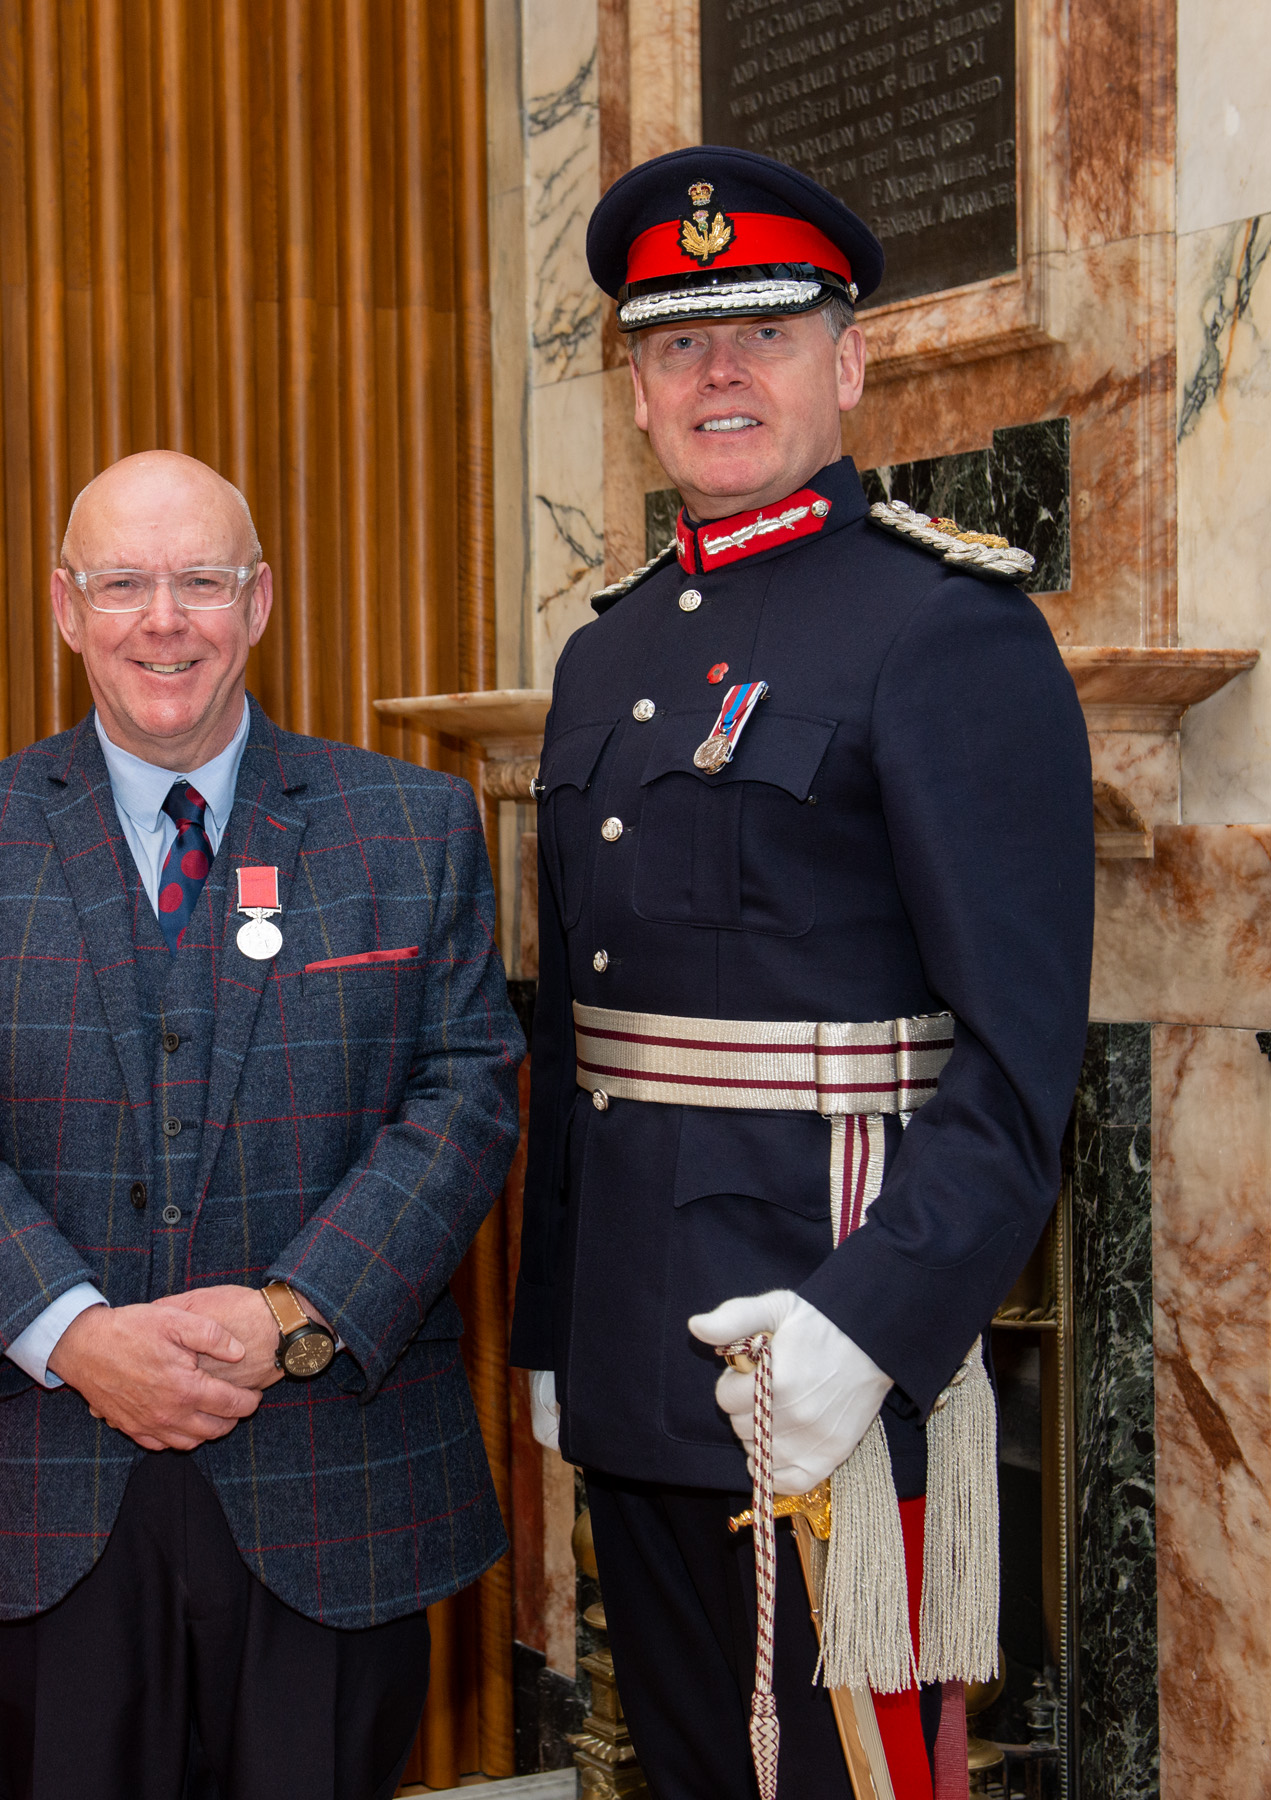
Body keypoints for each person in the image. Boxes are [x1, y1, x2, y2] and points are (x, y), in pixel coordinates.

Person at [508, 147, 1093, 1800]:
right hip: (636, 1359)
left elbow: (1015, 1070)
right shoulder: (607, 651)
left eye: (764, 329)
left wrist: (867, 1330)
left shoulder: (947, 631)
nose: (719, 370)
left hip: (825, 1354)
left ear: (848, 359)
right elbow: (582, 1035)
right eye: (677, 340)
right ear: (634, 389)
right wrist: (556, 1331)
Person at [0, 450, 525, 1800]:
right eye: (123, 582)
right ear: (66, 608)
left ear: (260, 600)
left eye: (200, 582)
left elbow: (465, 1092)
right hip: (50, 1492)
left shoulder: (413, 828)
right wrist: (73, 1333)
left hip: (333, 1480)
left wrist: (294, 1314)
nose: (162, 619)